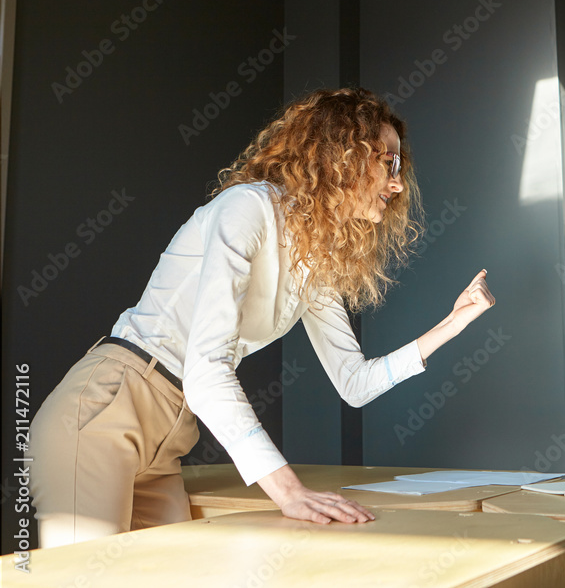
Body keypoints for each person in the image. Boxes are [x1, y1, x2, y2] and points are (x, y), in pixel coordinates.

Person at [28, 87, 495, 548]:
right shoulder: (247, 208)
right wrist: (288, 491)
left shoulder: (318, 260)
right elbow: (206, 372)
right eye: (388, 162)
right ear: (342, 155)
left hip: (167, 442)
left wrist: (453, 323)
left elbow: (354, 383)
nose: (396, 184)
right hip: (106, 409)